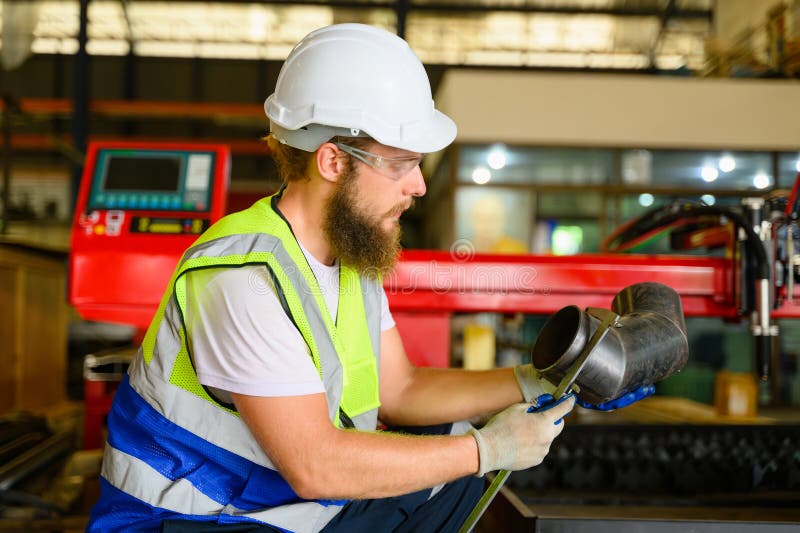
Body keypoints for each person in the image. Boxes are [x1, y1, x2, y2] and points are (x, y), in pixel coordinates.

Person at [86, 23, 576, 532]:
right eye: (402, 163)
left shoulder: (349, 260)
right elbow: (315, 465)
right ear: (333, 160)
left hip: (279, 513)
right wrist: (487, 448)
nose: (419, 185)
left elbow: (402, 390)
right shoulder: (243, 279)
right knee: (460, 458)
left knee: (447, 454)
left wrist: (532, 381)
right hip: (186, 522)